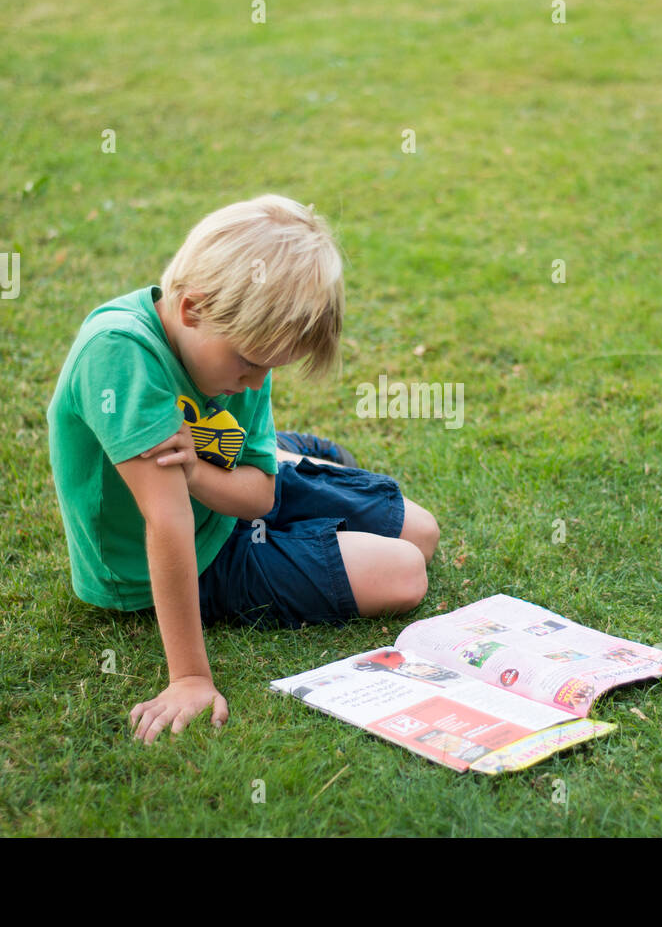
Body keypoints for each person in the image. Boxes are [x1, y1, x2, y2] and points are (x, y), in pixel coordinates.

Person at [46, 194, 439, 742]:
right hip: (176, 560)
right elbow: (168, 522)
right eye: (251, 365)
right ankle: (294, 457)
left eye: (270, 368)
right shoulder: (121, 356)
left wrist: (197, 474)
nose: (256, 384)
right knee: (404, 572)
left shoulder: (245, 347)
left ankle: (288, 455)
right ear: (192, 310)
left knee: (423, 532)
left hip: (219, 486)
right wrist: (188, 677)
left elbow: (256, 496)